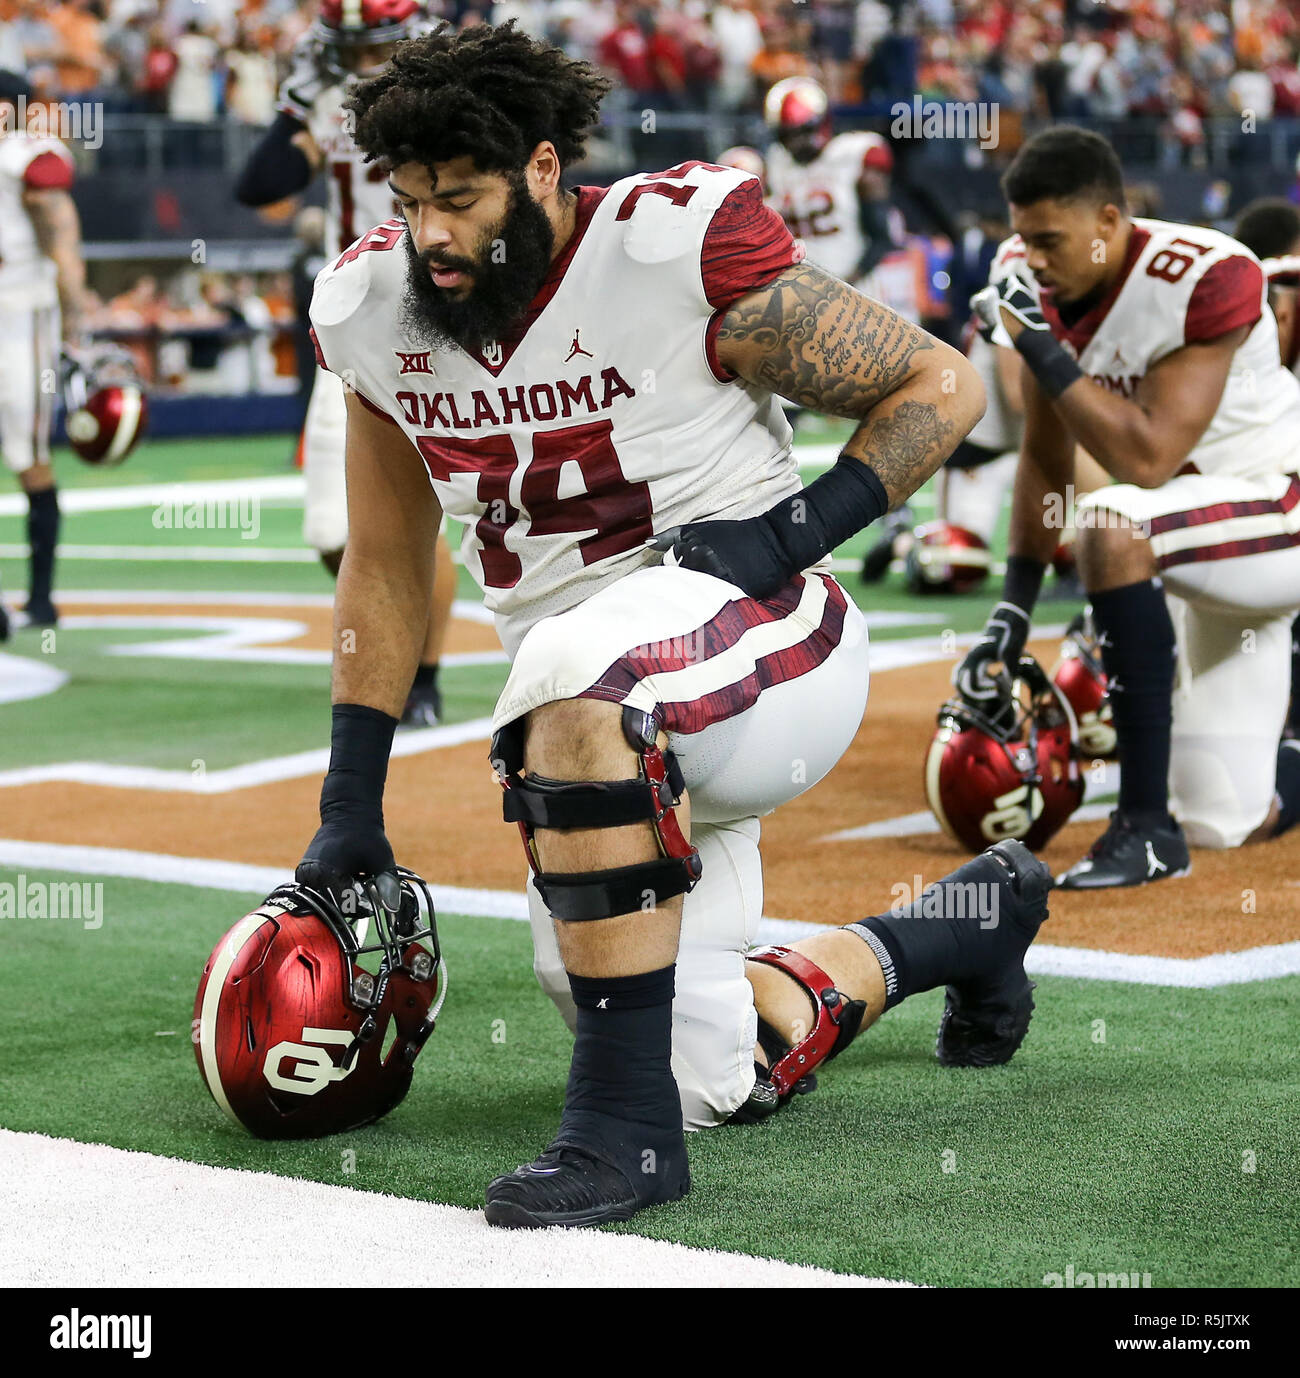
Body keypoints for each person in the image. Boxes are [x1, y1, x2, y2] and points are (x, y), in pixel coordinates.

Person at [295, 21, 1058, 1234]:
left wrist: (791, 533)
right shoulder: (374, 307)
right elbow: (388, 568)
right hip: (599, 713)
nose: (431, 232)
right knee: (708, 1068)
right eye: (410, 200)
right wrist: (349, 809)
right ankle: (967, 920)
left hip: (768, 634)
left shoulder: (665, 248)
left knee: (582, 685)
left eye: (459, 196)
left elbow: (939, 384)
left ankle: (622, 1143)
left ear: (543, 168)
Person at [958, 127, 1300, 890]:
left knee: (1114, 525)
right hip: (1200, 537)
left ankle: (1145, 828)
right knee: (1227, 819)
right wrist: (1013, 611)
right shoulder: (1030, 271)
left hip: (1279, 504)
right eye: (1023, 239)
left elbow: (1144, 459)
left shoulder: (1205, 273)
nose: (1033, 259)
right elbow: (1047, 458)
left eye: (1051, 240)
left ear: (1109, 223)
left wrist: (1042, 349)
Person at [235, 0, 453, 726]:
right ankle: (401, 638)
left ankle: (424, 676)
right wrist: (295, 113)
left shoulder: (442, 92)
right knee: (333, 531)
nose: (362, 60)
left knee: (415, 512)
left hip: (428, 307)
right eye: (350, 45)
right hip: (348, 317)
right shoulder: (327, 95)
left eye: (376, 43)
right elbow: (258, 185)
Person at [0, 68, 87, 632]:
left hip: (18, 308)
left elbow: (55, 199)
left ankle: (40, 598)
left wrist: (76, 328)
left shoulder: (25, 153)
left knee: (27, 451)